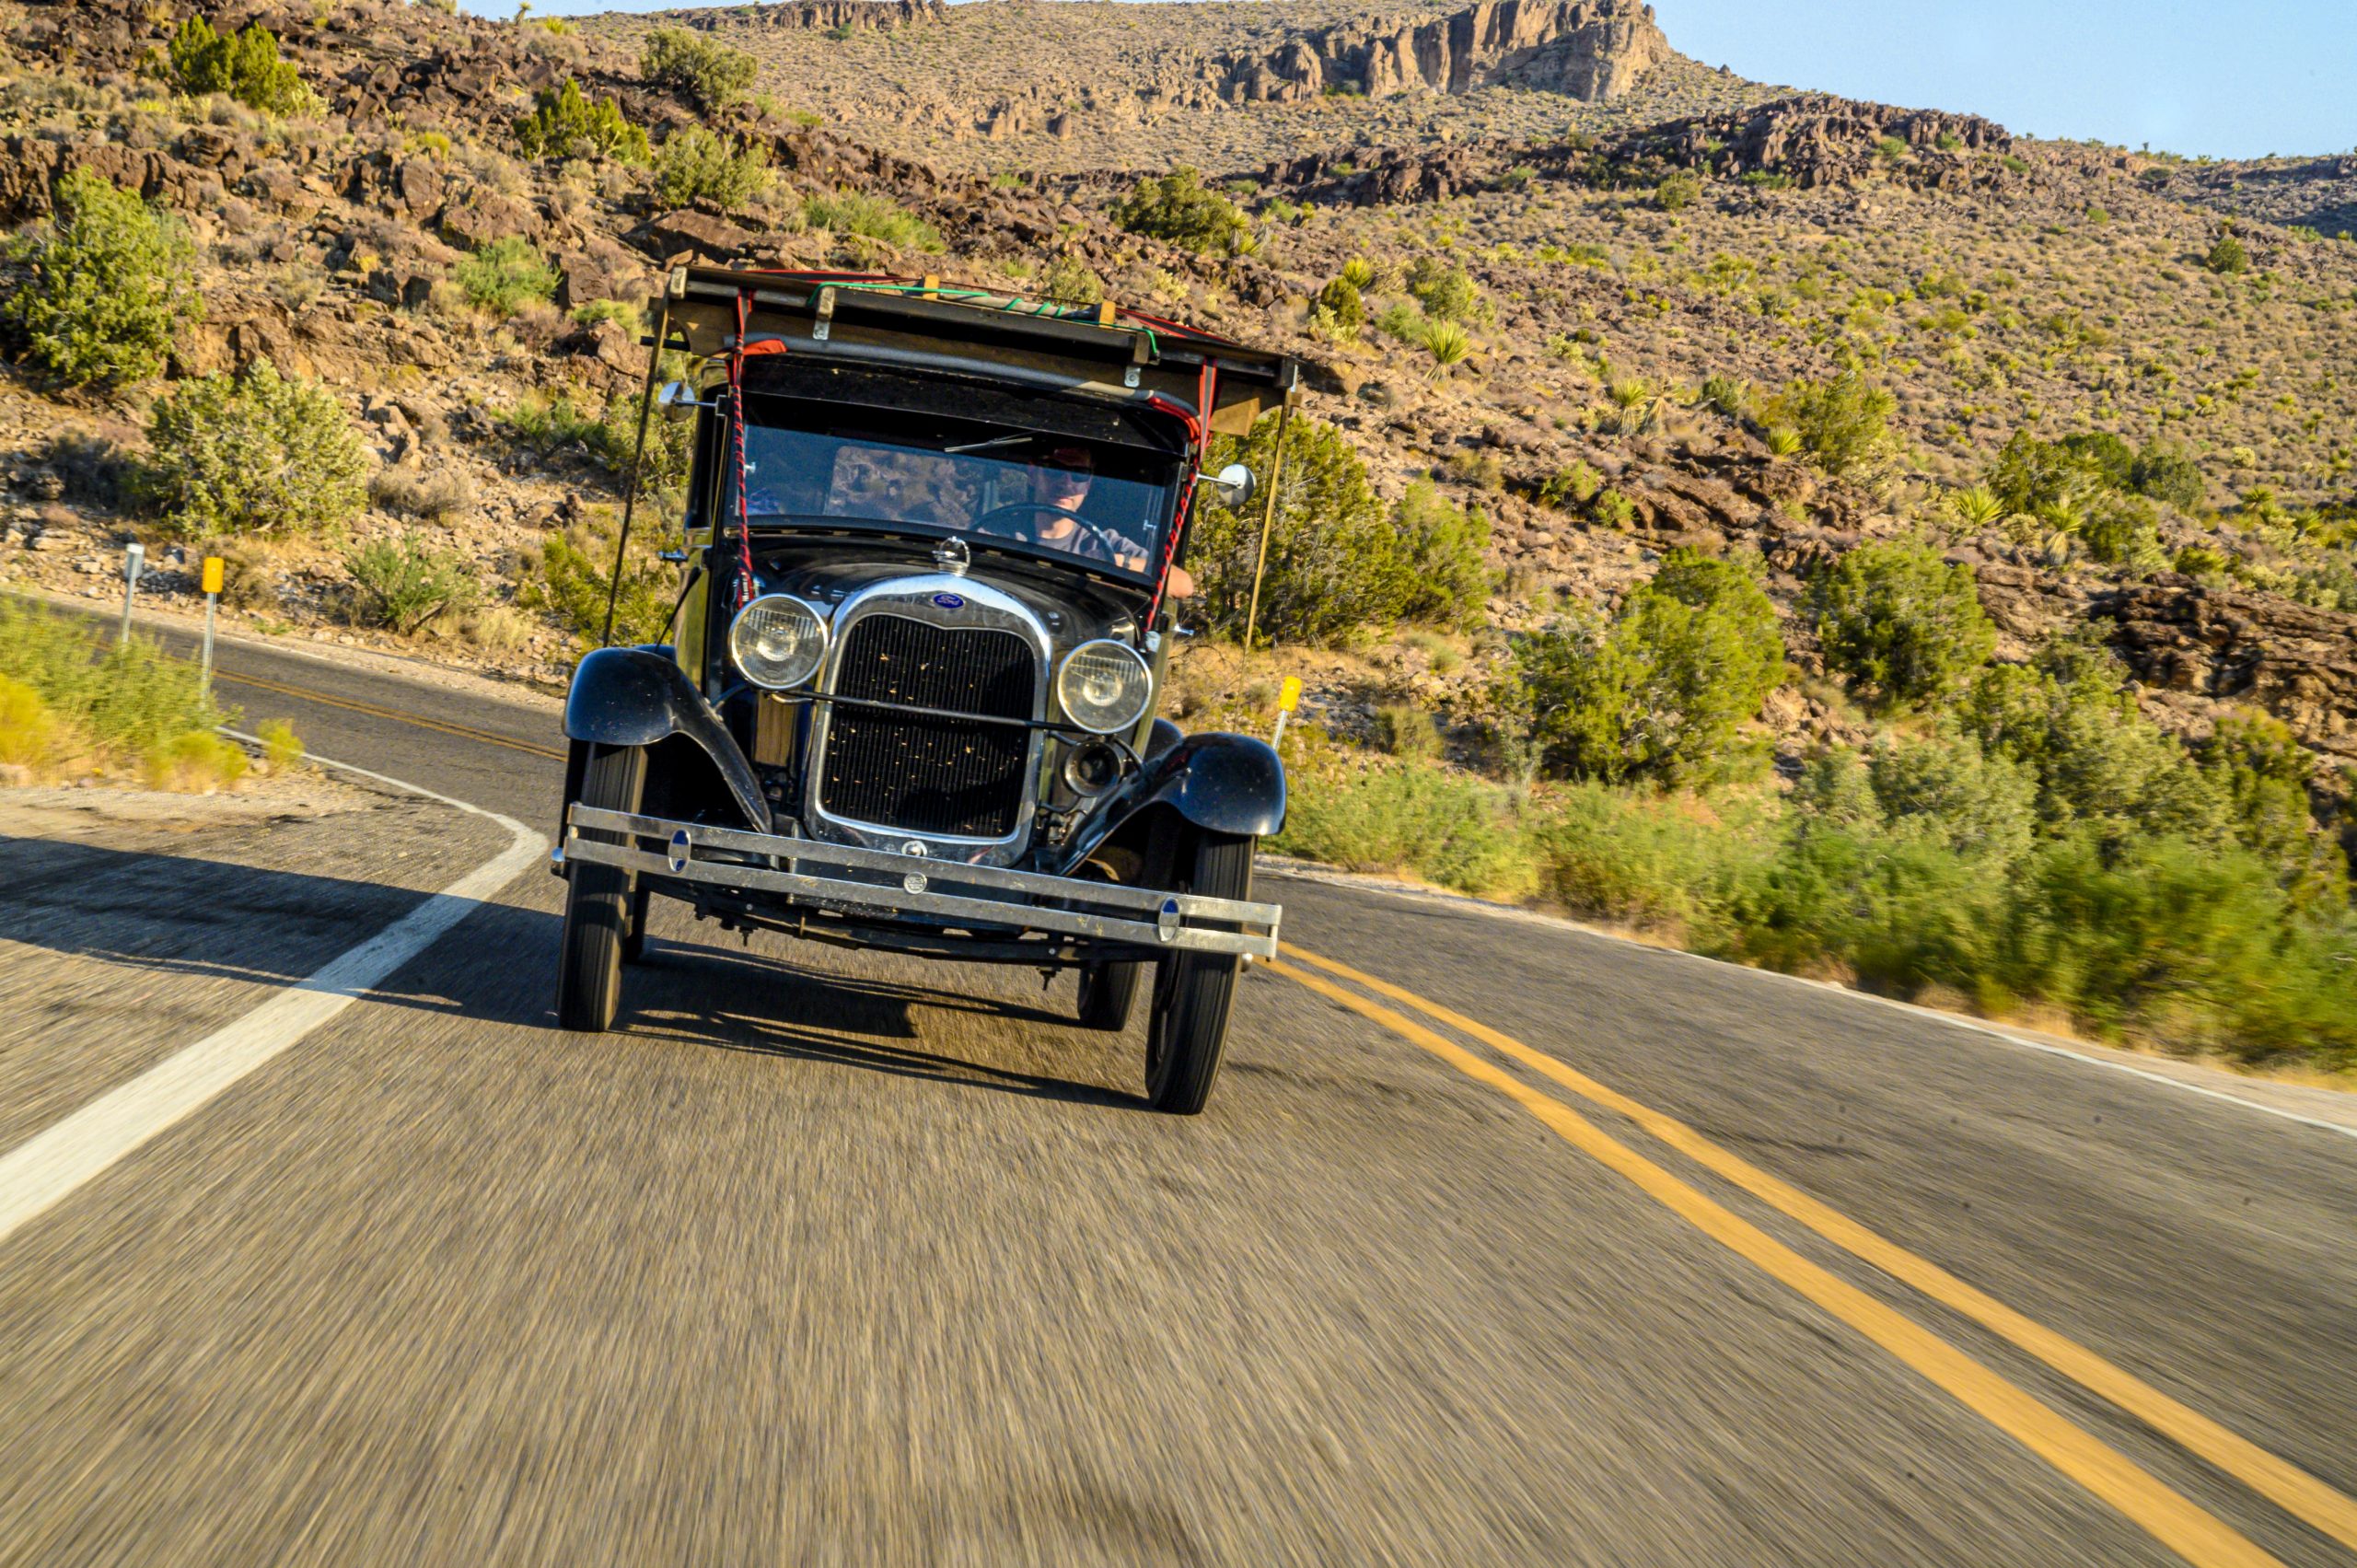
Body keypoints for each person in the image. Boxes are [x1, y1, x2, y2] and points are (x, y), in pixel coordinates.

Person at [1019, 445, 1194, 599]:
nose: (1066, 483)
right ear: (1033, 474)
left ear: (1088, 484)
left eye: (1079, 475)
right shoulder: (997, 533)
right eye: (1054, 470)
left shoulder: (1104, 543)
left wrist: (1113, 562)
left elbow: (1183, 584)